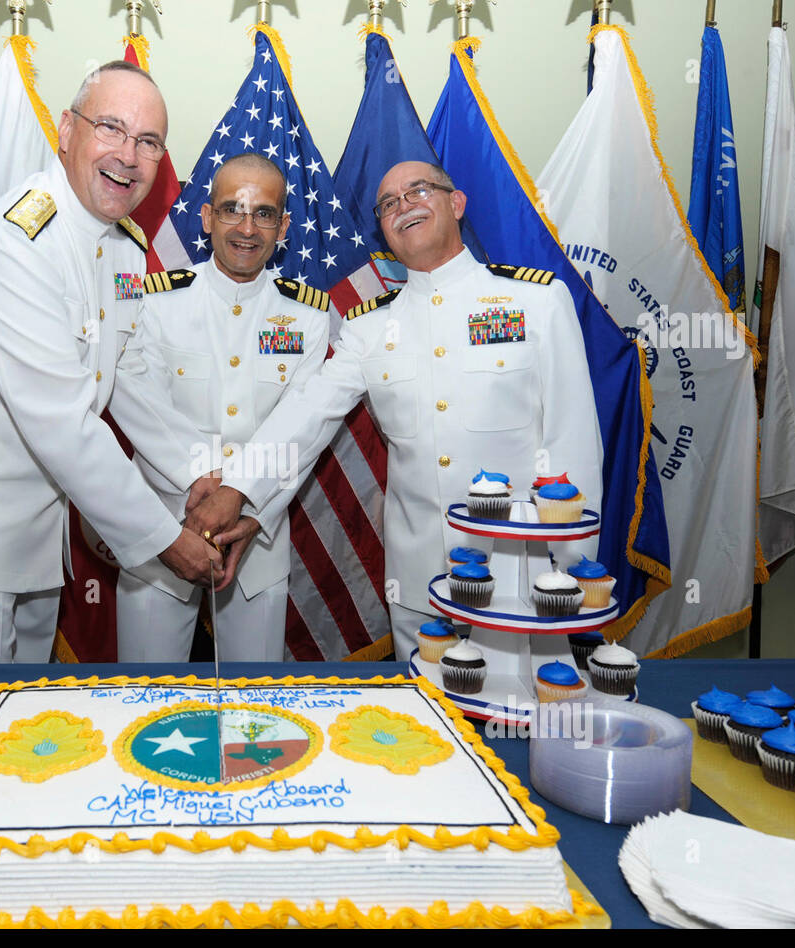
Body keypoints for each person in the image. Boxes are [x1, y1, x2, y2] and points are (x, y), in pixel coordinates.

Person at [0, 62, 220, 664]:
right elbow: (63, 423)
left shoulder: (119, 247)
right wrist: (167, 541)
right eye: (111, 127)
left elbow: (125, 379)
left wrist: (201, 474)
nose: (128, 155)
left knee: (23, 728)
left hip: (33, 530)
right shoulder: (17, 241)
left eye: (149, 142)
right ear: (66, 130)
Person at [190, 160, 604, 660]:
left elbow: (573, 443)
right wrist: (238, 489)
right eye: (389, 203)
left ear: (456, 203)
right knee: (427, 727)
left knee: (527, 722)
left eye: (419, 191)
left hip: (523, 577)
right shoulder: (370, 328)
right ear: (383, 230)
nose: (404, 205)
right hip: (419, 585)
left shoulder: (537, 300)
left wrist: (569, 572)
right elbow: (307, 413)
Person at [112, 154, 331, 661]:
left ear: (284, 226)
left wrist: (248, 510)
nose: (247, 228)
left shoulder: (309, 318)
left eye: (264, 213)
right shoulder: (154, 302)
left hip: (258, 533)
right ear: (207, 217)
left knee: (255, 713)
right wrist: (201, 480)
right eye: (232, 209)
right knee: (148, 700)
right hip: (165, 526)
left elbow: (303, 430)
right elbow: (132, 397)